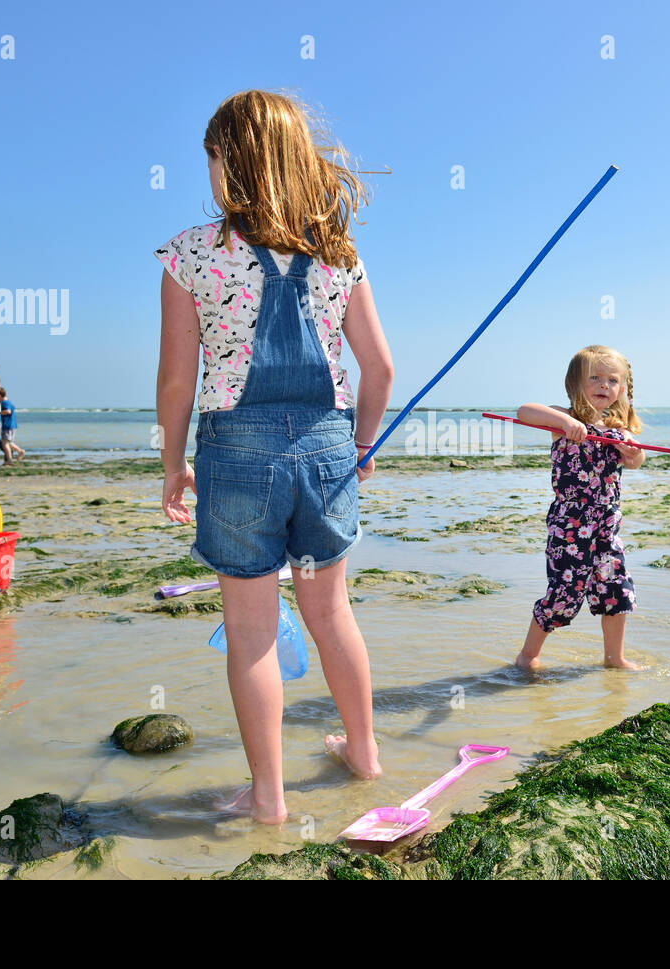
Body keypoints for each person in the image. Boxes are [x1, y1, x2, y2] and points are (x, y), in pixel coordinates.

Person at [155, 90, 393, 824]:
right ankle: (364, 754)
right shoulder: (337, 254)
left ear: (232, 160)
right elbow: (379, 370)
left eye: (213, 158)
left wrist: (172, 462)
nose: (210, 173)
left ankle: (269, 798)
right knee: (331, 613)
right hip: (325, 452)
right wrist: (360, 445)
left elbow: (174, 380)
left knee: (254, 630)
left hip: (235, 455)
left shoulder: (194, 253)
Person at [515, 345, 645, 671]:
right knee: (564, 591)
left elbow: (637, 460)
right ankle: (528, 656)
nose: (604, 385)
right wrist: (563, 421)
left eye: (612, 380)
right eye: (596, 378)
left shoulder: (619, 429)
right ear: (576, 383)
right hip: (570, 525)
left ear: (622, 388)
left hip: (607, 527)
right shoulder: (564, 419)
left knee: (615, 590)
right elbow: (524, 411)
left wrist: (630, 450)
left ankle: (614, 658)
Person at [0, 387, 25, 460]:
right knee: (9, 442)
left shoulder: (4, 402)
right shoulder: (9, 402)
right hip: (12, 425)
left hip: (8, 425)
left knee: (5, 444)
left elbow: (8, 411)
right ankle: (20, 451)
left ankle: (9, 460)